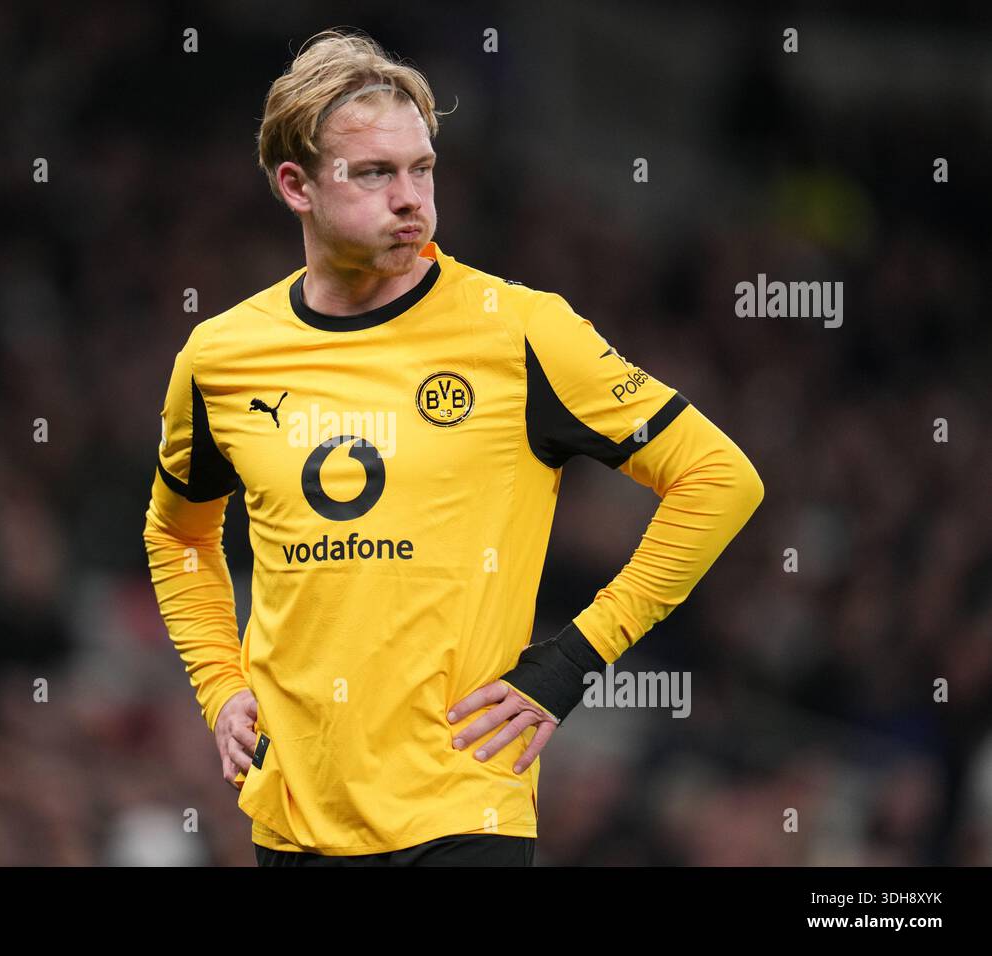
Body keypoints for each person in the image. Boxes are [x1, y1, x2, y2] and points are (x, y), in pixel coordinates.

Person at [142, 28, 763, 866]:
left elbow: (719, 478)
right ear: (296, 185)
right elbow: (178, 535)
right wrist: (220, 686)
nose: (411, 199)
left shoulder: (521, 331)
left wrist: (570, 663)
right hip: (293, 818)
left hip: (463, 807)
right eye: (374, 173)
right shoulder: (222, 357)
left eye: (423, 169)